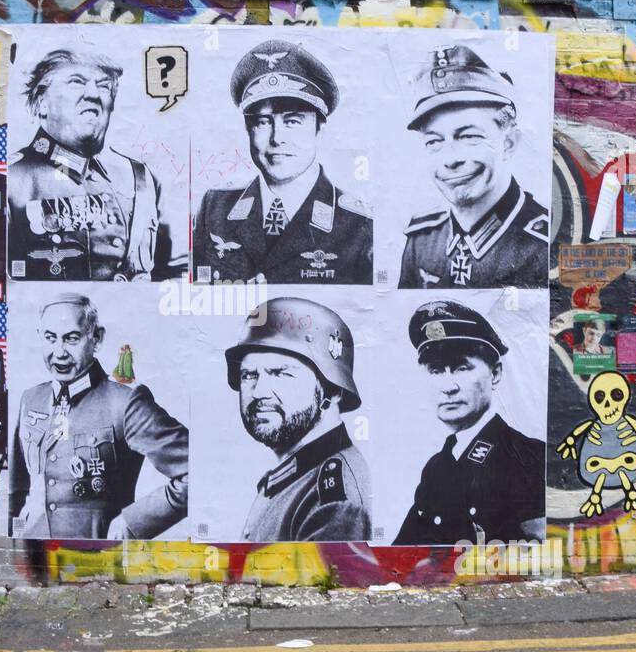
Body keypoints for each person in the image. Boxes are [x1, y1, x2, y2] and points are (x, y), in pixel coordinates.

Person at [193, 40, 372, 285]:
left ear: (319, 129)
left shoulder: (358, 225)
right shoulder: (215, 208)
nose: (277, 139)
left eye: (293, 121)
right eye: (263, 122)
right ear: (248, 129)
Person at [10, 294, 188, 539]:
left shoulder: (125, 403)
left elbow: (196, 470)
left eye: (72, 339)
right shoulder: (31, 398)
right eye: (50, 338)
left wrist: (131, 523)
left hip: (95, 564)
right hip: (34, 560)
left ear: (97, 338)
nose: (59, 352)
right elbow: (17, 490)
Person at [8, 48, 175, 281]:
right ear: (42, 102)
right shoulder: (10, 179)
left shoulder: (140, 176)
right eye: (76, 82)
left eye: (104, 86)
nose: (94, 95)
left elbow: (175, 273)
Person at [393, 300, 546, 545]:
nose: (448, 386)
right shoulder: (436, 467)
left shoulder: (529, 458)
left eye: (462, 368)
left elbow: (541, 556)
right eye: (436, 371)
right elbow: (402, 555)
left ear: (495, 374)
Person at [400, 45, 549, 289]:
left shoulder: (544, 245)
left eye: (469, 136)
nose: (450, 159)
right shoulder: (422, 240)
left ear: (509, 143)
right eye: (434, 141)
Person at [225, 297, 372, 541]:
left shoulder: (333, 499)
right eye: (249, 375)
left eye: (281, 373)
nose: (259, 392)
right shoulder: (296, 477)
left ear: (333, 390)